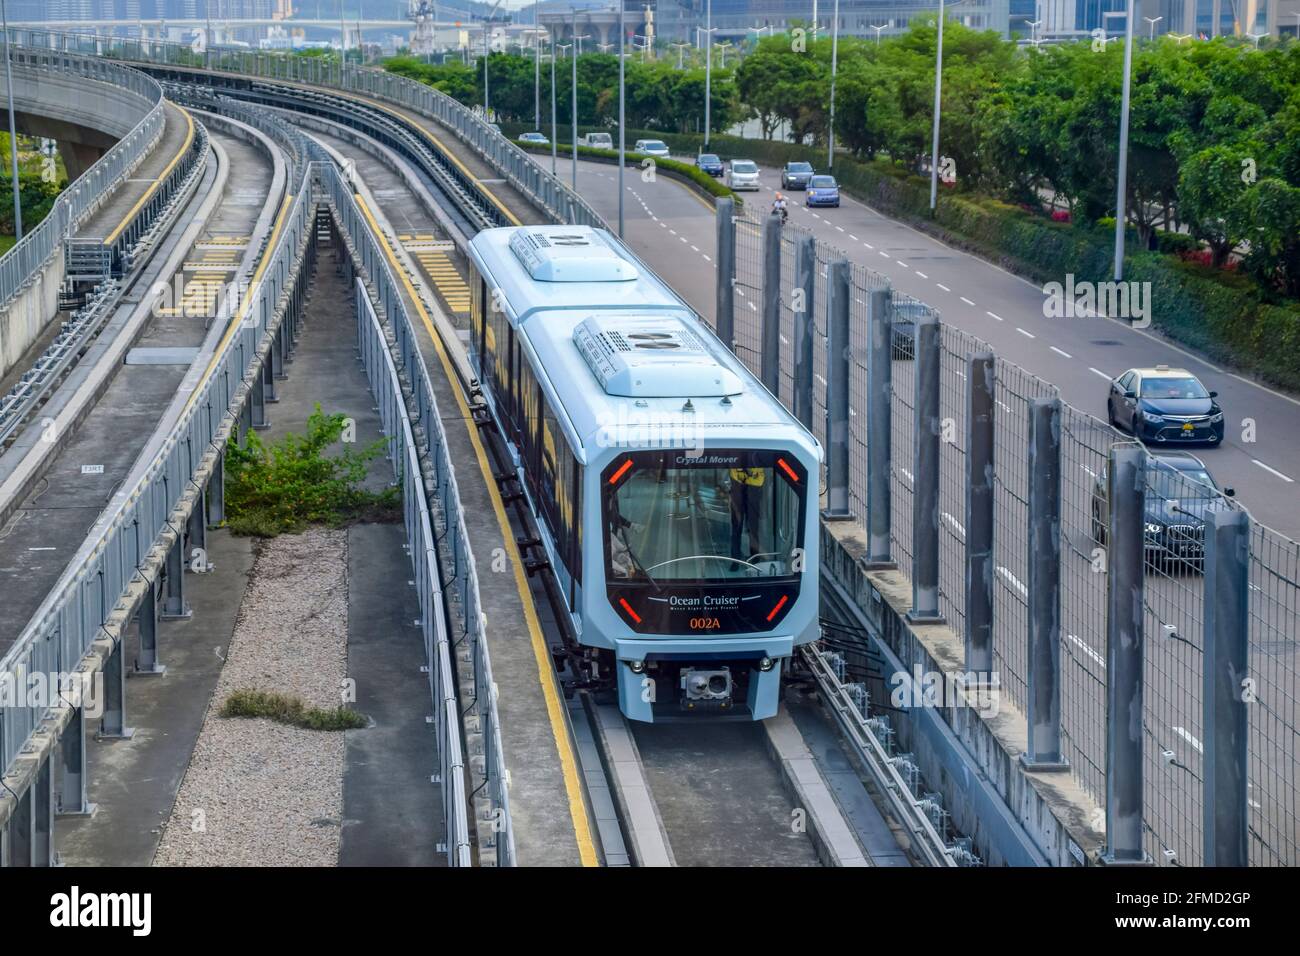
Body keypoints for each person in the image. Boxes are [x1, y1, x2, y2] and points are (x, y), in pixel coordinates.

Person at [729, 465, 766, 560]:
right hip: (739, 486)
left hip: (753, 487)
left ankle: (754, 557)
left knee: (752, 527)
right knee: (737, 526)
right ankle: (736, 559)